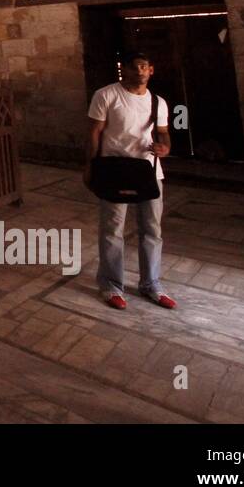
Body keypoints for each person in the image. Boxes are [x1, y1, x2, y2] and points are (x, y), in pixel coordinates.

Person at [84, 51, 177, 311]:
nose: (140, 71)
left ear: (151, 71)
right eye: (135, 67)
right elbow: (94, 132)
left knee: (152, 229)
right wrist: (90, 166)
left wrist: (165, 149)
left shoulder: (158, 102)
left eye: (145, 67)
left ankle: (152, 284)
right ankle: (111, 285)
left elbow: (163, 133)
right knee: (113, 229)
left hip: (149, 171)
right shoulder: (106, 95)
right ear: (123, 69)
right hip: (114, 170)